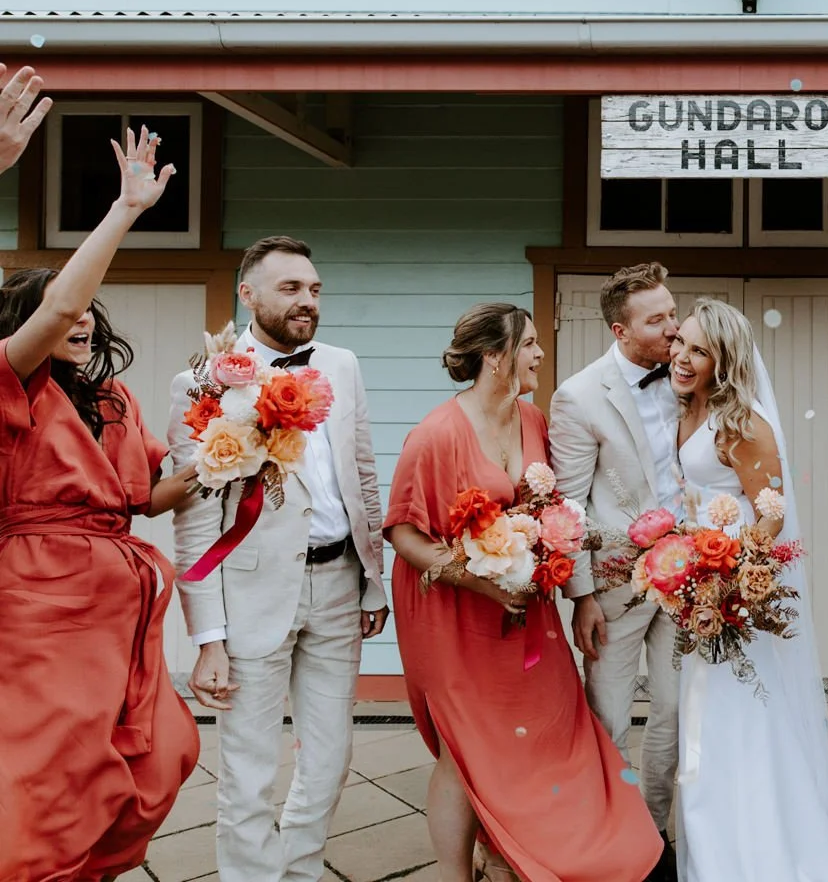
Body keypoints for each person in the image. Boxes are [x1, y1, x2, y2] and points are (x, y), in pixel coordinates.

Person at [385, 303, 662, 882]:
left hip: (524, 613)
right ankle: (454, 873)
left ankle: (522, 848)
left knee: (540, 735)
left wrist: (562, 575)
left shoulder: (534, 420)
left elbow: (556, 509)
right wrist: (476, 578)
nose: (539, 354)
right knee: (465, 748)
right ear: (495, 356)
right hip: (452, 614)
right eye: (530, 344)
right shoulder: (436, 435)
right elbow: (404, 533)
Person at [0, 103, 201, 881]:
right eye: (65, 320)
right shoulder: (14, 382)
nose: (80, 324)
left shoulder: (115, 404)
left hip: (121, 600)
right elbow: (59, 304)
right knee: (50, 774)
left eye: (89, 321)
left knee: (163, 757)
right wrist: (126, 208)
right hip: (42, 599)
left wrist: (233, 450)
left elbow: (148, 497)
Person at [169, 236, 389, 882]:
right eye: (291, 288)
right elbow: (194, 520)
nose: (307, 301)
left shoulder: (343, 366)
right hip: (249, 597)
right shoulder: (203, 382)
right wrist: (208, 636)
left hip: (340, 584)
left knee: (328, 762)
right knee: (248, 770)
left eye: (314, 289)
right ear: (248, 294)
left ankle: (297, 874)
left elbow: (363, 475)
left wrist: (373, 582)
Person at [669, 297, 828, 881]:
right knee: (706, 721)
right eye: (680, 343)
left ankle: (754, 850)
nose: (683, 358)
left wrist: (730, 582)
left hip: (732, 594)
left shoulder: (742, 423)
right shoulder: (685, 407)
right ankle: (709, 842)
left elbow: (769, 515)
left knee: (740, 720)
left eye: (699, 350)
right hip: (696, 588)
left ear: (725, 359)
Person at [550, 262, 682, 870]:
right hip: (613, 584)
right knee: (607, 714)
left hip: (691, 579)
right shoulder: (578, 395)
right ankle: (606, 838)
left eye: (673, 312)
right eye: (657, 320)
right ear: (619, 329)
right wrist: (580, 596)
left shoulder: (691, 375)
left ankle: (655, 837)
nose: (673, 328)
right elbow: (570, 505)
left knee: (678, 711)